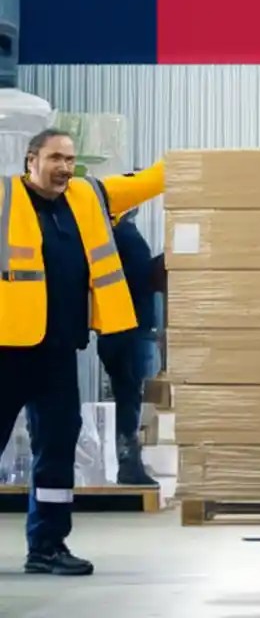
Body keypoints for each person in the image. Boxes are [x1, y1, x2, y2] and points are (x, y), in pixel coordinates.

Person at [0, 129, 165, 575]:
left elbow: (151, 181)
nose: (65, 168)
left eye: (70, 160)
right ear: (31, 160)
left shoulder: (88, 197)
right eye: (55, 158)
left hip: (57, 351)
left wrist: (194, 162)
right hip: (6, 348)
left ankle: (47, 547)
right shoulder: (3, 197)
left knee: (57, 448)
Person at [95, 206, 160, 487]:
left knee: (129, 393)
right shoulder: (120, 233)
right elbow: (139, 276)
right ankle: (128, 464)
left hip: (120, 328)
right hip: (127, 328)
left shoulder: (117, 232)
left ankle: (129, 462)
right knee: (129, 395)